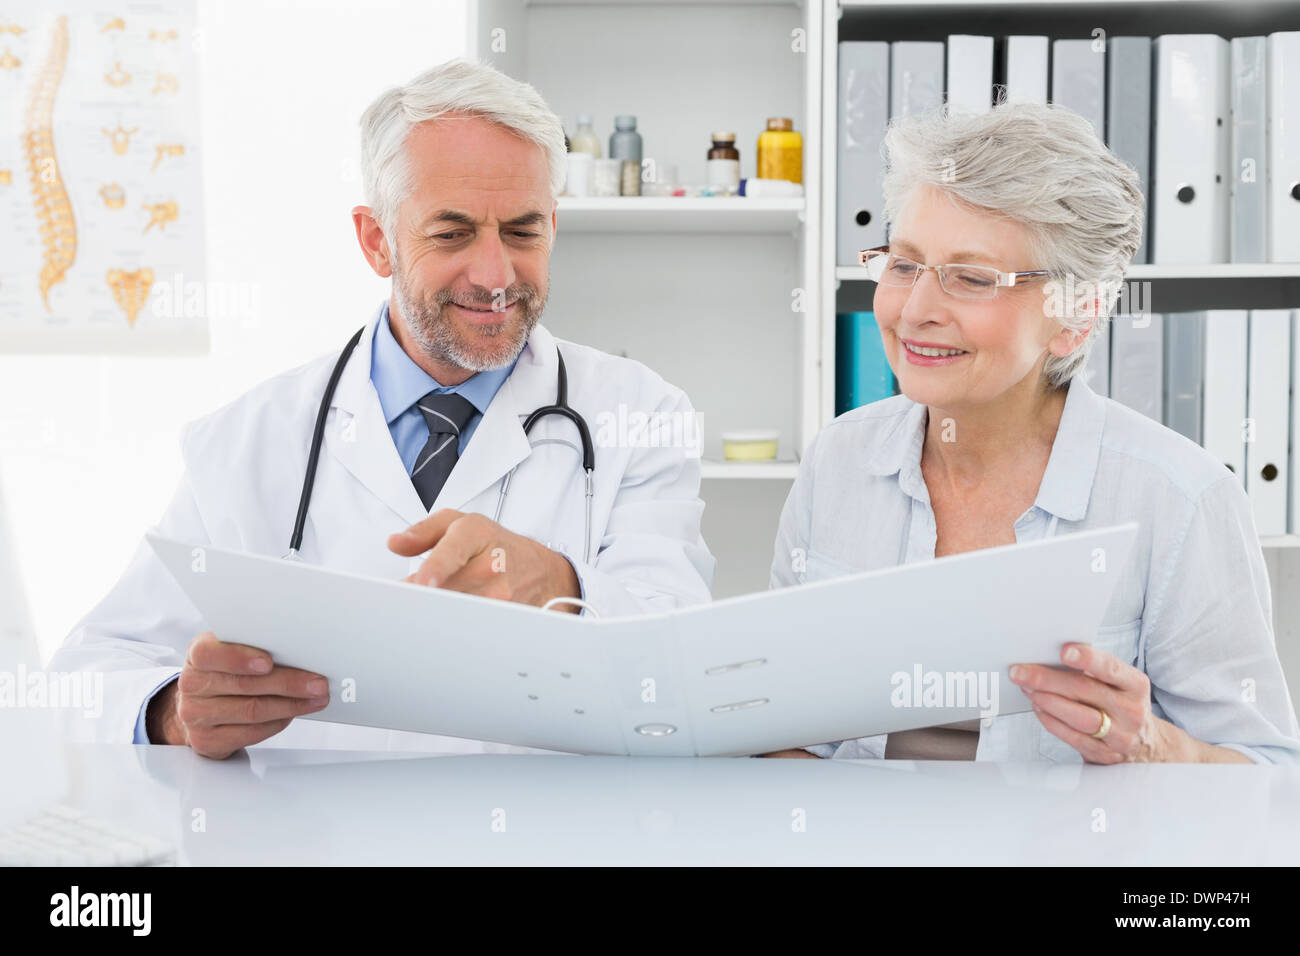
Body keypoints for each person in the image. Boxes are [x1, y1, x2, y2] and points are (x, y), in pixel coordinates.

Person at [50, 59, 714, 759]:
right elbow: (87, 673)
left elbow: (687, 670)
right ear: (376, 241)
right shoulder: (245, 441)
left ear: (553, 225)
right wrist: (172, 714)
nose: (495, 277)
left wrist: (563, 585)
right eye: (452, 234)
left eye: (522, 232)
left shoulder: (639, 416)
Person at [765, 98, 1300, 764]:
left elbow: (1273, 775)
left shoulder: (1179, 497)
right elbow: (781, 727)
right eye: (903, 265)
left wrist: (1152, 744)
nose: (917, 310)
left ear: (1075, 316)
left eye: (971, 278)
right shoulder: (840, 459)